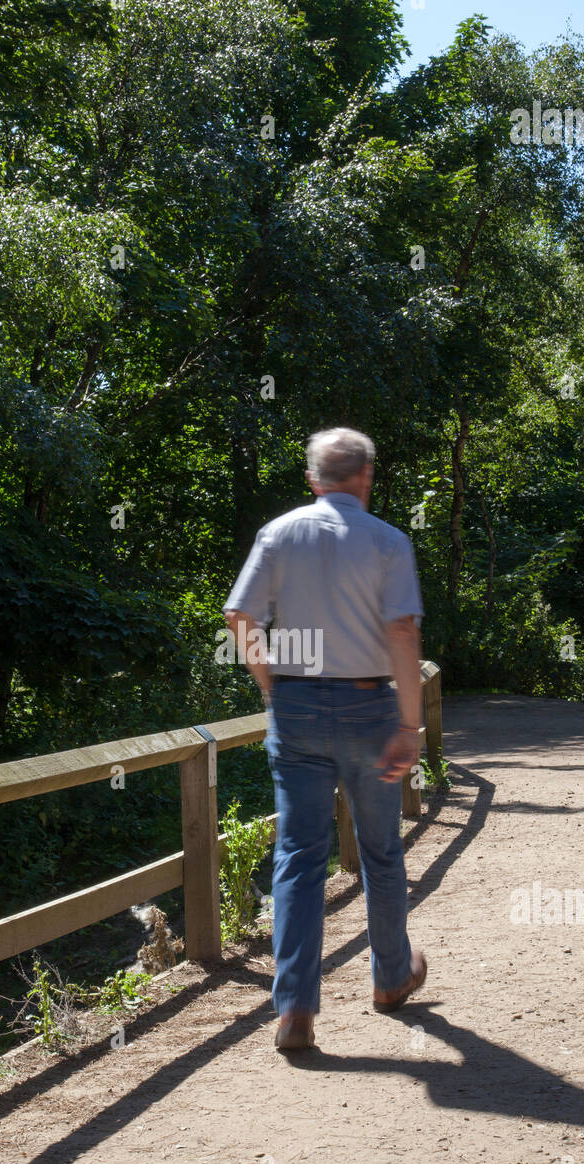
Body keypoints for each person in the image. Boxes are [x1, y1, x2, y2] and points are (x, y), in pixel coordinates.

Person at [223, 427, 428, 1051]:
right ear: (366, 478)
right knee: (381, 851)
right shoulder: (389, 542)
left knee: (299, 857)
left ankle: (294, 1009)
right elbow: (401, 634)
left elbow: (240, 617)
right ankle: (391, 978)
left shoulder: (279, 533)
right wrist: (409, 725)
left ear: (313, 480)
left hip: (298, 707)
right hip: (369, 707)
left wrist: (271, 687)